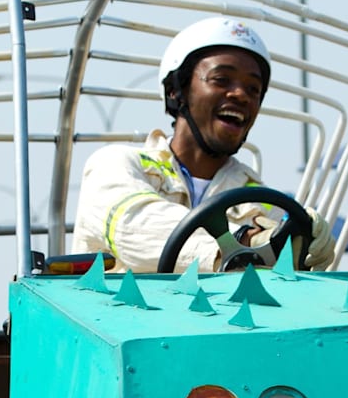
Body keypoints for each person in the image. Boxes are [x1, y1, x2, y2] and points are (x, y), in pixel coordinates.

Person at [72, 17, 333, 273]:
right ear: (176, 90)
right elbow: (134, 226)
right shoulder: (116, 164)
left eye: (253, 89)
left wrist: (309, 244)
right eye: (221, 80)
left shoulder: (262, 200)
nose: (241, 95)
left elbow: (286, 279)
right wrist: (241, 244)